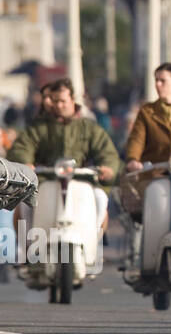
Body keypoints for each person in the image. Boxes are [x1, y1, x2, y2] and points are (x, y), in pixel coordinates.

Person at [8, 78, 119, 238]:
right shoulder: (39, 127)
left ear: (72, 100)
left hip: (81, 182)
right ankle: (29, 250)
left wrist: (108, 168)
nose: (59, 105)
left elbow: (106, 151)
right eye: (55, 101)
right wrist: (26, 163)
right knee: (25, 205)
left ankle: (92, 243)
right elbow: (23, 147)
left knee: (100, 199)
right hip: (45, 181)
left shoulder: (88, 127)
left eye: (63, 101)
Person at [121, 63, 171, 275]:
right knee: (149, 204)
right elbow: (137, 139)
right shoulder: (147, 112)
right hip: (156, 174)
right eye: (156, 80)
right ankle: (145, 258)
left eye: (162, 80)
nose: (158, 84)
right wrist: (133, 159)